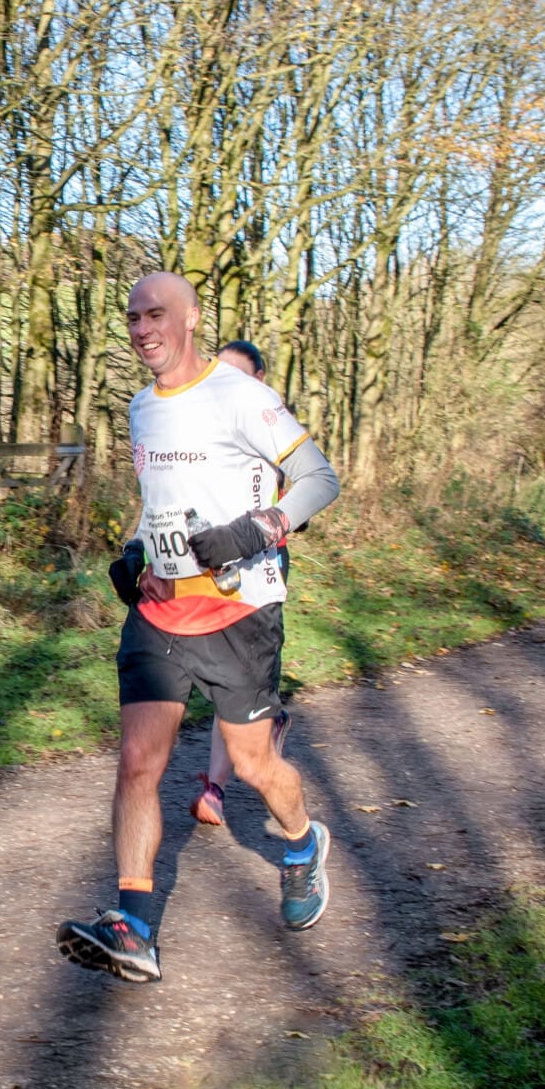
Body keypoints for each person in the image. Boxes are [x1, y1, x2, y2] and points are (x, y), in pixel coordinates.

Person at [62, 275, 342, 985]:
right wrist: (135, 552)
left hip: (239, 612)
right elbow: (159, 502)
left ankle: (303, 845)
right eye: (132, 317)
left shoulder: (239, 395)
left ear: (189, 319)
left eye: (155, 315)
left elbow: (319, 478)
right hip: (160, 614)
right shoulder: (139, 409)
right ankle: (132, 925)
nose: (141, 329)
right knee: (137, 762)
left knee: (252, 766)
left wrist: (256, 529)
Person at [189, 339, 285, 828]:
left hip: (259, 576)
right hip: (208, 572)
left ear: (259, 380)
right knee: (225, 683)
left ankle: (217, 789)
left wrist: (259, 524)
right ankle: (264, 724)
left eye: (237, 376)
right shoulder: (201, 427)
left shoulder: (275, 428)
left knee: (238, 686)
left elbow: (303, 500)